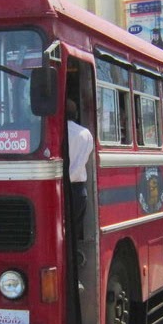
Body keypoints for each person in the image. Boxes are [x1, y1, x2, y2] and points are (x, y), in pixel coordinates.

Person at [67, 99, 94, 241]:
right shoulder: (86, 134)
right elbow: (84, 159)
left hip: (58, 188)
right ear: (76, 114)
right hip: (78, 190)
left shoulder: (54, 132)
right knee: (74, 235)